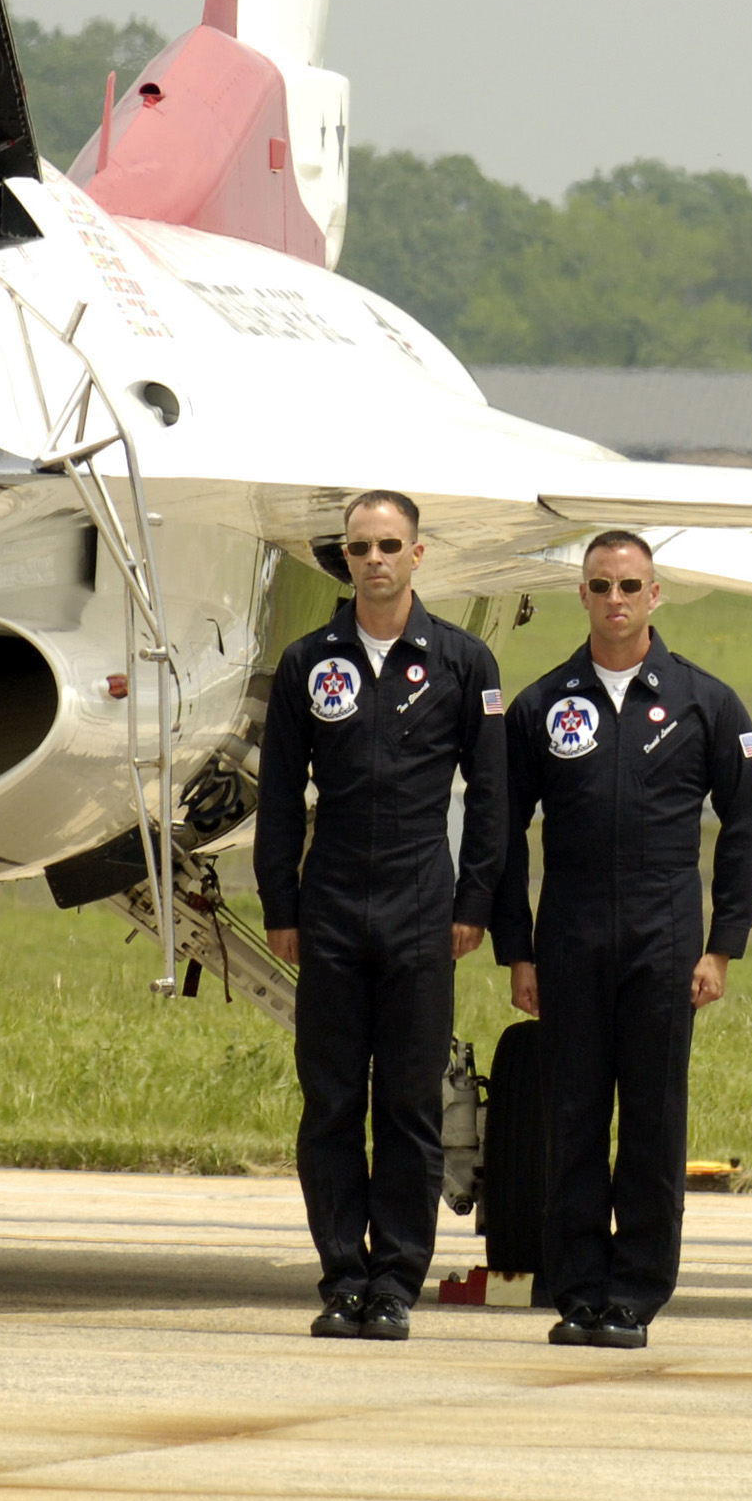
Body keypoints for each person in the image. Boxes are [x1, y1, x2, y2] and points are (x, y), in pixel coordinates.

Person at [494, 529, 752, 1350]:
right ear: (580, 594)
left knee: (652, 1121)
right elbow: (503, 834)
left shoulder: (703, 702)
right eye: (600, 585)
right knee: (573, 1118)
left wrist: (722, 945)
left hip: (665, 936)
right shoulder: (544, 706)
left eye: (629, 586)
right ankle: (578, 1292)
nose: (614, 599)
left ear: (655, 595)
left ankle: (635, 1296)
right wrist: (519, 951)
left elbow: (747, 824)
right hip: (570, 934)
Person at [255, 490, 505, 1341]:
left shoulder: (463, 662)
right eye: (361, 548)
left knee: (408, 1105)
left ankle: (396, 1280)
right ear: (346, 559)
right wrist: (281, 904)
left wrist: (473, 903)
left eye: (390, 545)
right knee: (329, 1103)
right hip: (330, 905)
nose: (375, 560)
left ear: (417, 554)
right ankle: (342, 1278)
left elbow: (493, 798)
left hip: (421, 905)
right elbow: (279, 795)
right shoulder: (308, 663)